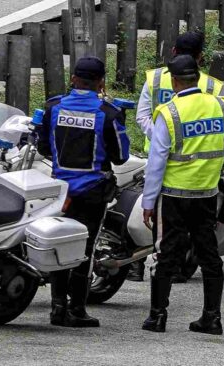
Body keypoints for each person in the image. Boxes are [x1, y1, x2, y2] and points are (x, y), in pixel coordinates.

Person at [32, 55, 131, 328]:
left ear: (74, 79)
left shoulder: (53, 107)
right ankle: (76, 309)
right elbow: (121, 156)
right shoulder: (108, 114)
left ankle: (57, 307)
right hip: (91, 191)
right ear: (101, 83)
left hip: (60, 191)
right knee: (83, 250)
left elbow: (43, 148)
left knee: (58, 245)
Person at [142, 55, 224, 336]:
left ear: (174, 80)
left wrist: (148, 202)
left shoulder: (169, 112)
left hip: (174, 195)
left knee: (168, 253)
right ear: (197, 77)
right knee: (209, 253)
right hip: (206, 193)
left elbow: (156, 162)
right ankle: (212, 317)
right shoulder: (221, 106)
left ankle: (158, 316)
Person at [136, 29, 206, 138]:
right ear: (200, 56)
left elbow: (142, 117)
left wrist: (162, 140)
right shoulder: (211, 84)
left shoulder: (155, 78)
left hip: (157, 151)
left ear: (173, 51)